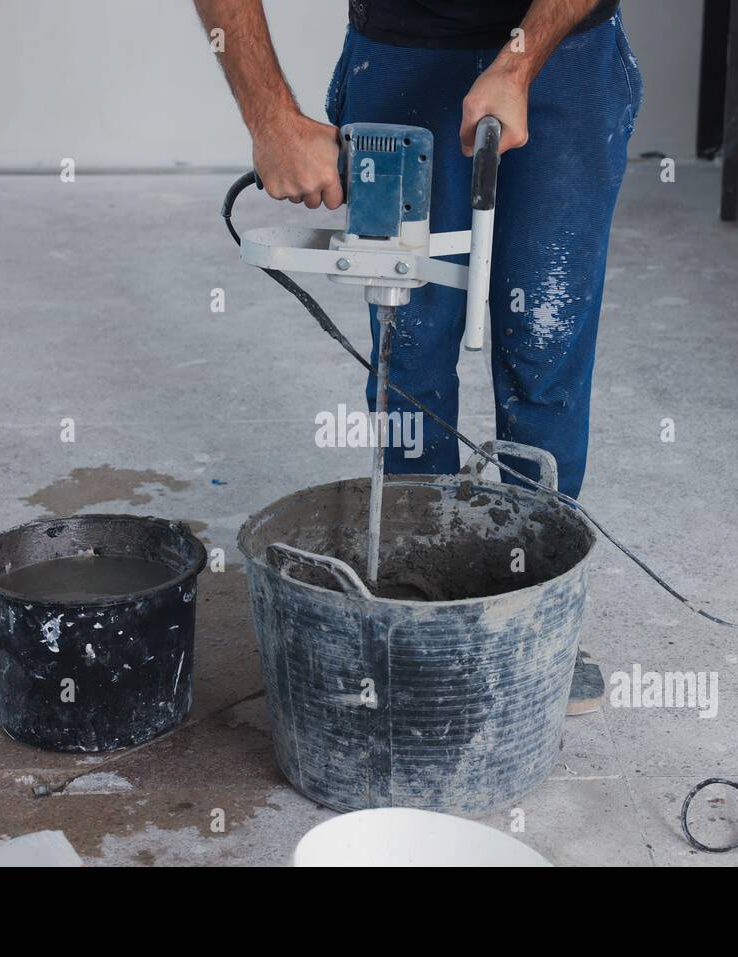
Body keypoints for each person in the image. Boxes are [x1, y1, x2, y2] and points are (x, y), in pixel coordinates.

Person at [197, 0, 641, 712]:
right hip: (400, 51)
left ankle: (527, 618)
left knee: (545, 346)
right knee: (410, 350)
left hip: (565, 55)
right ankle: (418, 603)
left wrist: (521, 57)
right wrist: (269, 117)